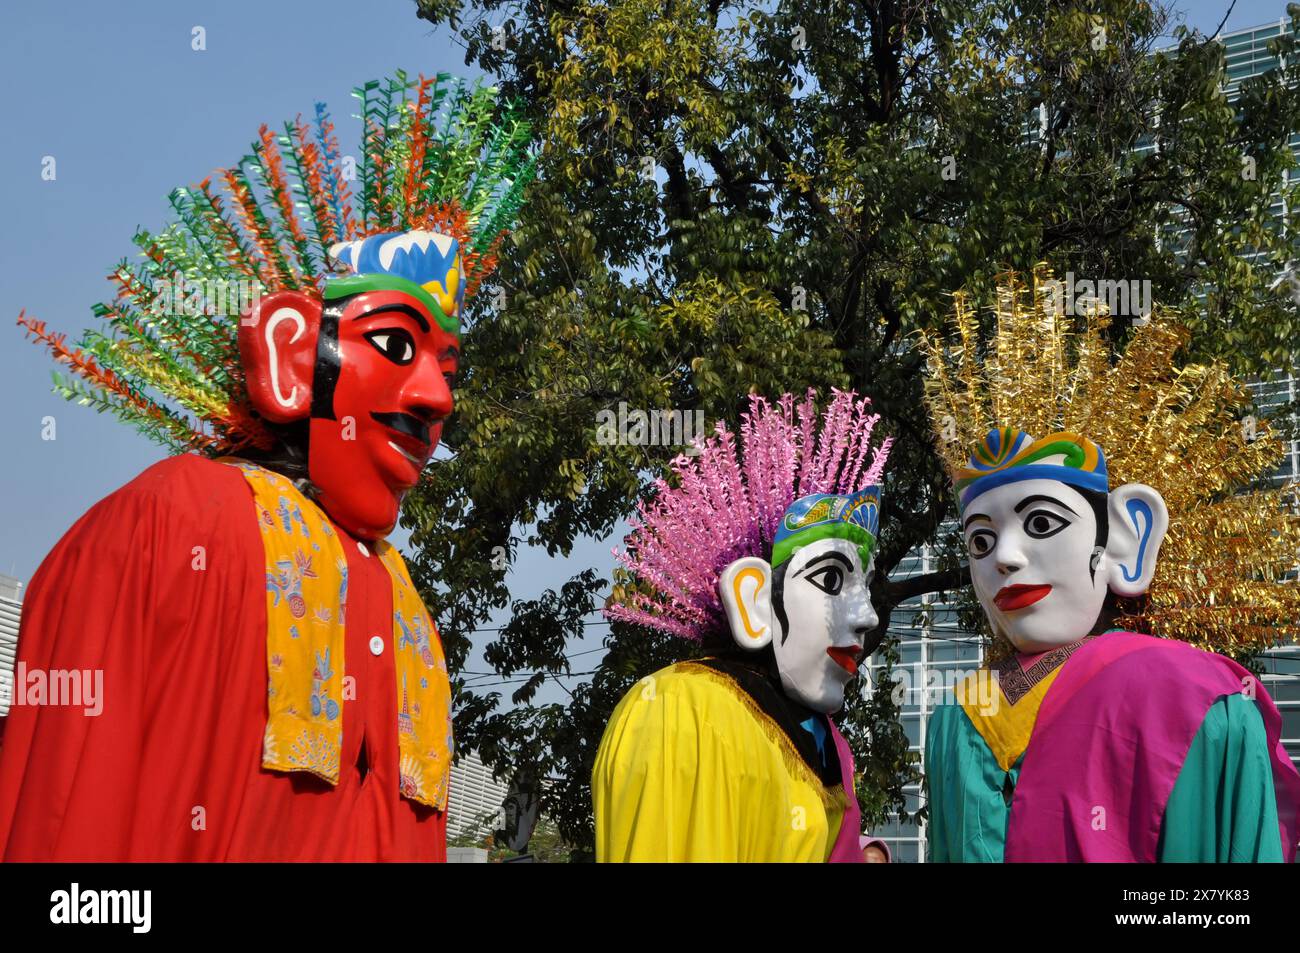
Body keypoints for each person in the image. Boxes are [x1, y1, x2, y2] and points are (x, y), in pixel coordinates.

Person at [0, 73, 534, 861]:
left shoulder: (409, 612)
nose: (434, 397)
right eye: (394, 345)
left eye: (448, 369)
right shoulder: (173, 520)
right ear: (288, 354)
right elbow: (68, 811)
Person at [919, 271, 1300, 862]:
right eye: (980, 541)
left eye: (1042, 523)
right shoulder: (955, 717)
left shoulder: (1200, 702)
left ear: (1126, 539)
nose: (1006, 557)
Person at [594, 389, 894, 861]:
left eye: (866, 587)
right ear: (752, 599)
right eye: (831, 579)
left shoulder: (828, 745)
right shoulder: (682, 710)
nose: (867, 617)